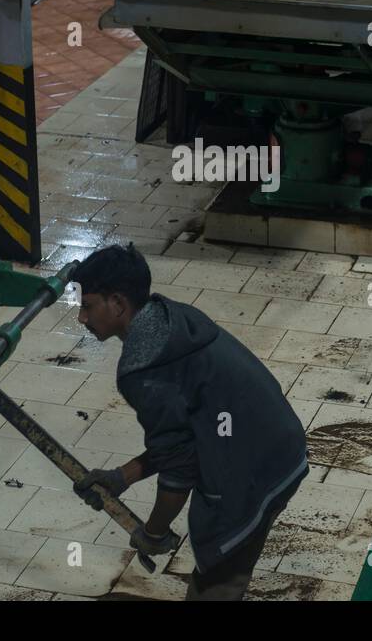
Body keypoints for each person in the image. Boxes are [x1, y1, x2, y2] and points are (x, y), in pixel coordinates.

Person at [70, 244, 309, 600]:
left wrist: (153, 531)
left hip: (254, 469)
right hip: (279, 444)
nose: (82, 319)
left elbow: (178, 474)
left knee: (217, 577)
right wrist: (123, 477)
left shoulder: (144, 369)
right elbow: (183, 435)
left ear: (118, 303)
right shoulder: (171, 319)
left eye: (87, 306)